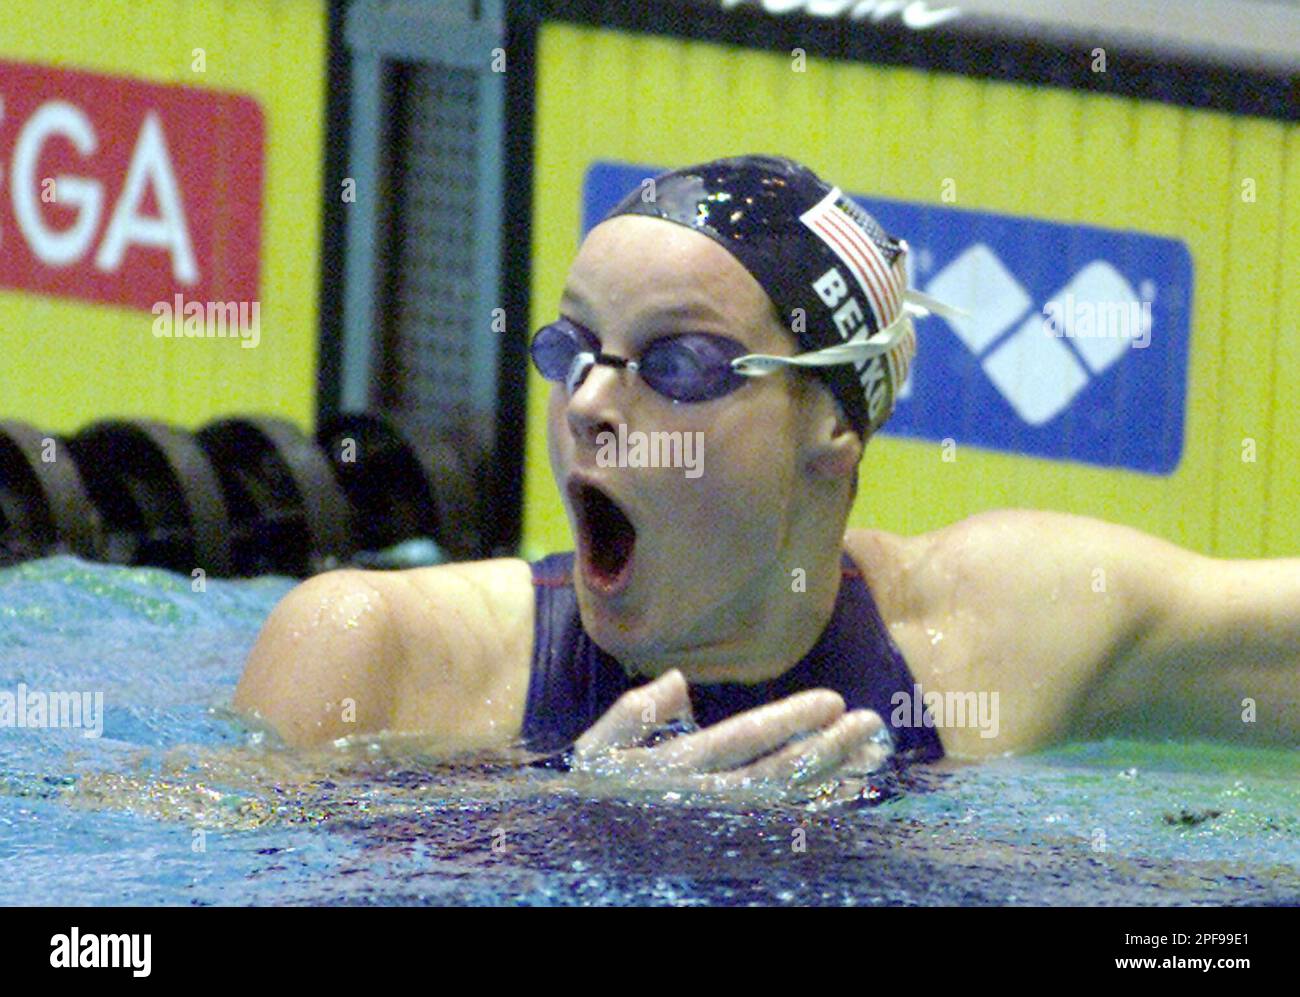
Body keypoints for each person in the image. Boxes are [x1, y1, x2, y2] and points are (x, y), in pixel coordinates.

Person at [235, 155, 1300, 795]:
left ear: (832, 422)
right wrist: (563, 831)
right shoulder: (372, 652)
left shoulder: (1008, 631)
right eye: (572, 349)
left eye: (678, 364)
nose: (593, 403)